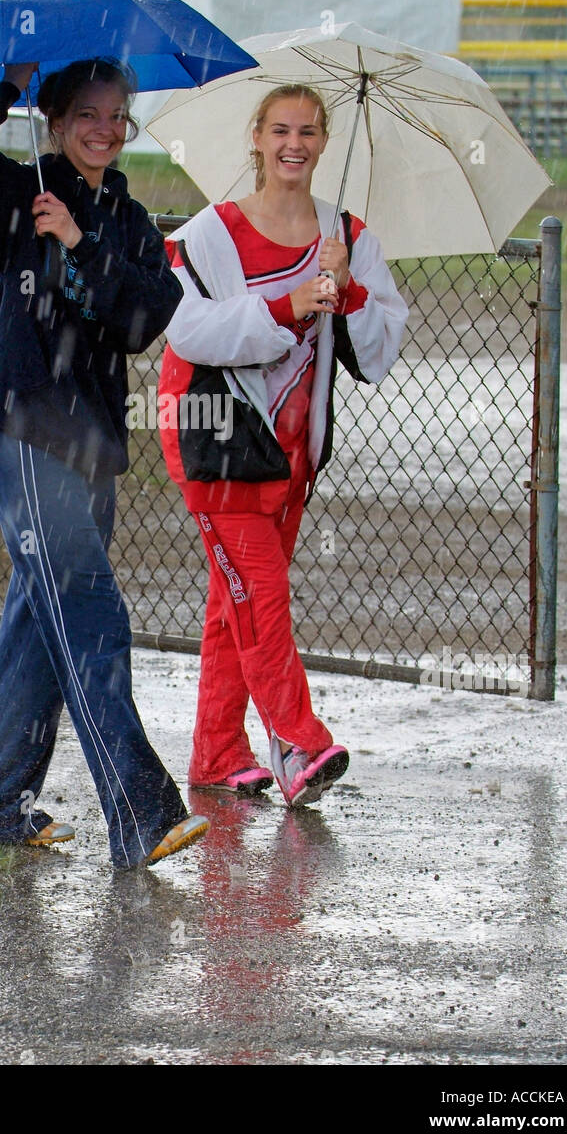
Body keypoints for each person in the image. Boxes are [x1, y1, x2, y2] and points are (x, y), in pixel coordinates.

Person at [0, 57, 209, 868]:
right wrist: (6, 81)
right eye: (87, 113)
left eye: (116, 115)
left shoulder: (124, 217)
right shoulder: (20, 197)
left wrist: (80, 241)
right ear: (55, 120)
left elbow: (141, 318)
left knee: (36, 624)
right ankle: (140, 809)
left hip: (94, 451)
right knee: (88, 608)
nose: (104, 128)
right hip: (25, 434)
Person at [158, 84, 408, 807]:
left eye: (307, 131)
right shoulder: (212, 233)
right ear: (258, 139)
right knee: (261, 596)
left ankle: (215, 753)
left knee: (232, 602)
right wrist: (287, 305)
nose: (293, 144)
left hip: (291, 457)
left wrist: (349, 290)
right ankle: (299, 743)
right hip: (216, 440)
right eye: (279, 130)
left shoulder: (348, 239)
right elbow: (187, 330)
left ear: (325, 141)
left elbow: (382, 348)